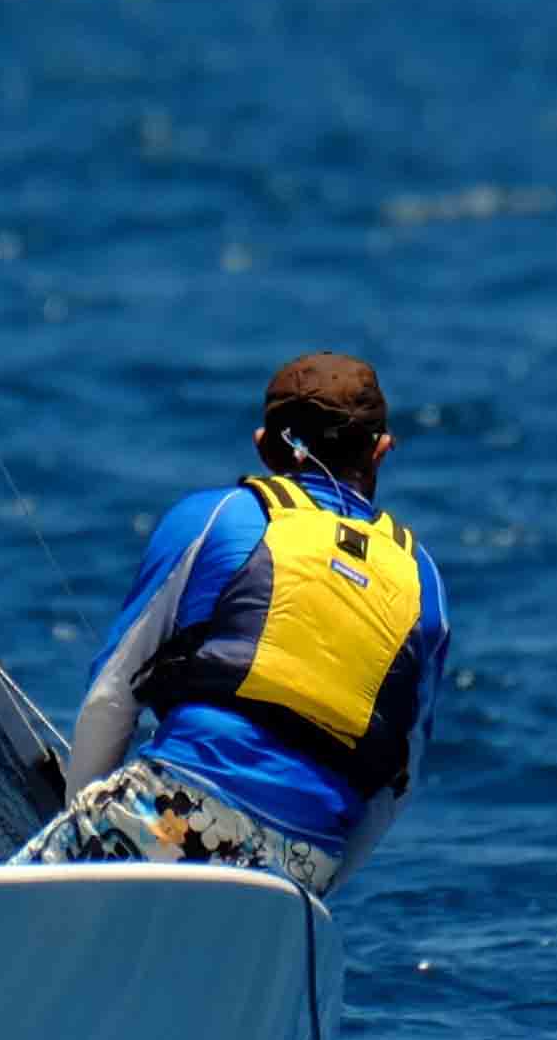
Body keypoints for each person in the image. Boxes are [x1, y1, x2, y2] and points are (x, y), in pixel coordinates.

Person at [29, 352, 452, 899]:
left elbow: (113, 694)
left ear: (263, 445)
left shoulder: (217, 517)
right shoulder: (425, 584)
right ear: (381, 450)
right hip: (304, 862)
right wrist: (311, 889)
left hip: (168, 814)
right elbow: (398, 785)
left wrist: (82, 816)